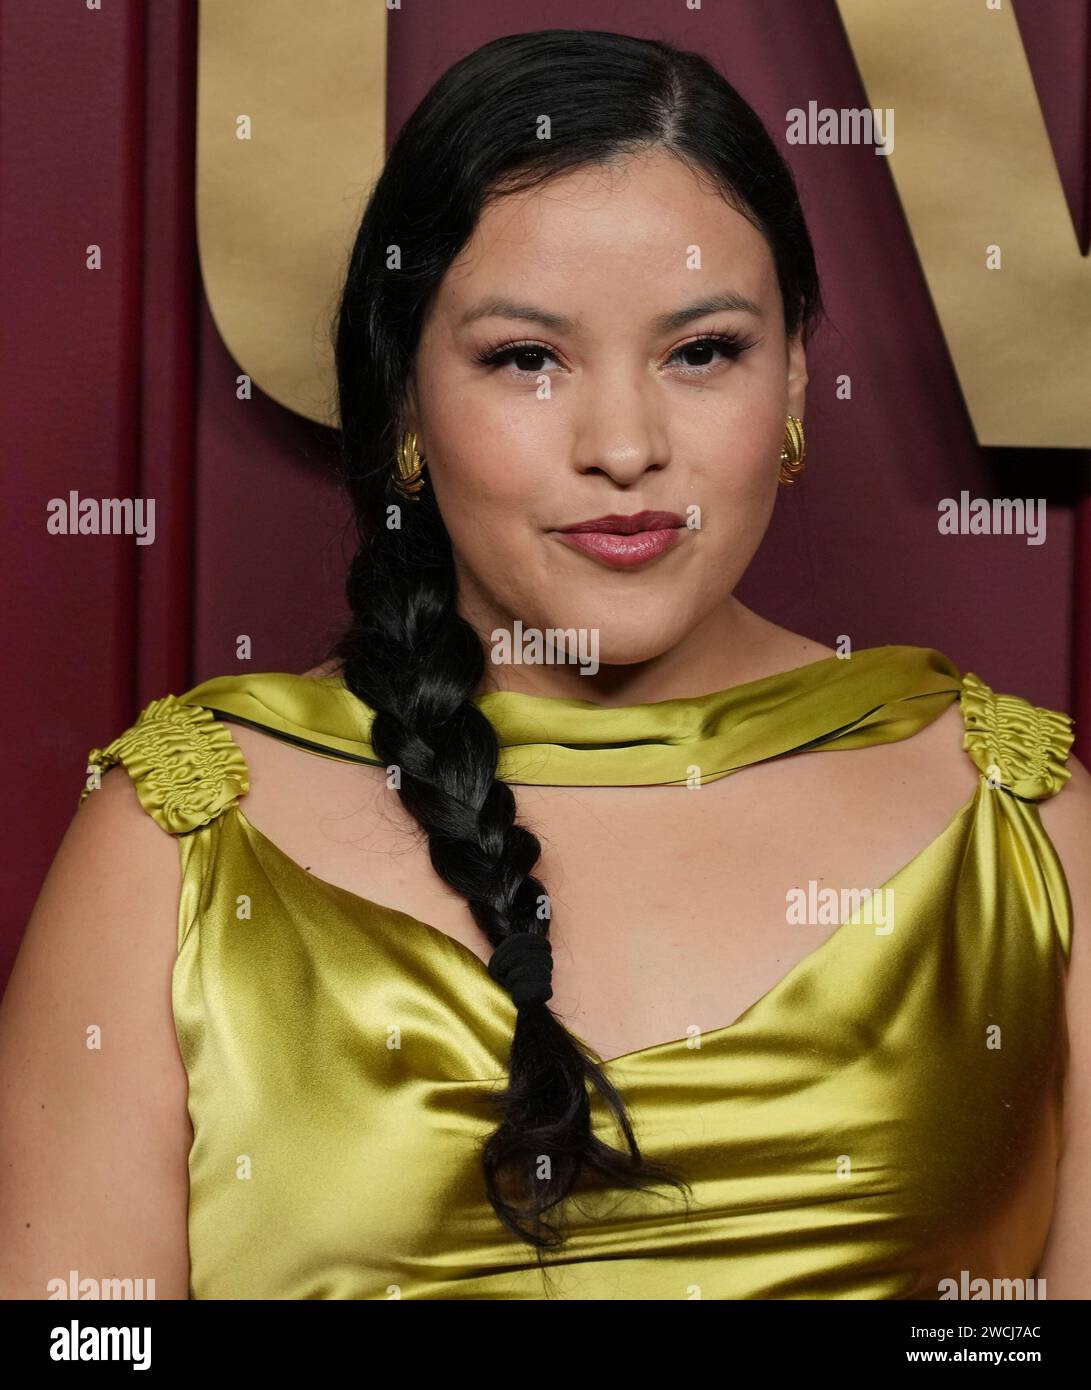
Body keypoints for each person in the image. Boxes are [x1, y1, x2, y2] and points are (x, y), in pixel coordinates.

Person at [2, 29, 1088, 1302]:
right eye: (525, 359)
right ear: (405, 395)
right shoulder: (183, 832)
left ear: (792, 371)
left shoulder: (1024, 823)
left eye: (701, 352)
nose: (622, 446)